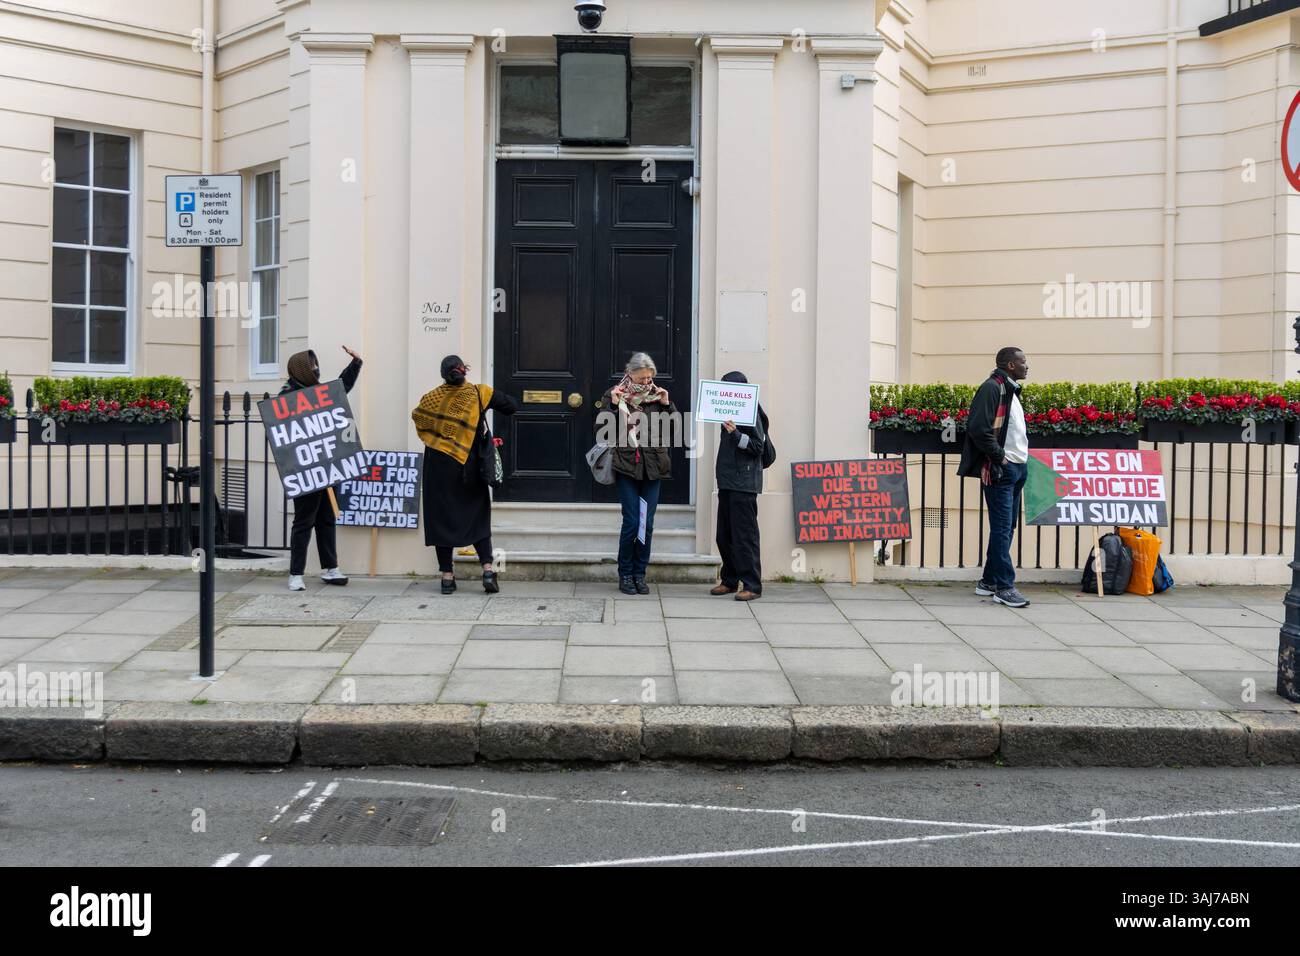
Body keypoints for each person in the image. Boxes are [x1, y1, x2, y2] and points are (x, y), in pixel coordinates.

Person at [412, 355, 517, 594]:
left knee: (441, 519)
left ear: (443, 374)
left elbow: (418, 417)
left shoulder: (430, 399)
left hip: (437, 467)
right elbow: (511, 406)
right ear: (464, 371)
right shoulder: (478, 393)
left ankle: (447, 577)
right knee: (477, 516)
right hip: (468, 466)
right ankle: (488, 570)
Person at [284, 345, 363, 592]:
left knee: (327, 518)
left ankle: (331, 568)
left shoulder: (318, 392)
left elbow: (341, 388)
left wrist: (355, 364)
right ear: (301, 369)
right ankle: (296, 573)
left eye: (316, 365)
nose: (316, 370)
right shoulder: (287, 396)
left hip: (327, 469)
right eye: (312, 365)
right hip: (305, 471)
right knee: (304, 522)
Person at [957, 346, 1031, 608]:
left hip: (1017, 467)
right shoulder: (992, 387)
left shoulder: (1009, 389)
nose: (1027, 365)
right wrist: (1000, 458)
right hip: (1003, 468)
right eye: (1023, 361)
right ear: (1010, 365)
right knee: (1002, 528)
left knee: (1006, 528)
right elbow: (978, 428)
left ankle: (988, 581)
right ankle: (1004, 587)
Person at [599, 352, 676, 595]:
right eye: (642, 378)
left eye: (649, 378)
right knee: (632, 522)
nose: (646, 383)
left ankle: (640, 574)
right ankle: (625, 574)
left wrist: (667, 405)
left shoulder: (656, 397)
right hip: (626, 467)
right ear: (630, 374)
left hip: (653, 467)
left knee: (647, 525)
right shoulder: (616, 395)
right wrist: (612, 405)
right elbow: (602, 431)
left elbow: (674, 428)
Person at [710, 371, 769, 601]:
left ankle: (752, 585)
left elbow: (757, 446)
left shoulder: (751, 410)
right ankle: (730, 580)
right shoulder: (728, 411)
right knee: (724, 536)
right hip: (727, 481)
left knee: (745, 537)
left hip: (744, 484)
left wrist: (735, 433)